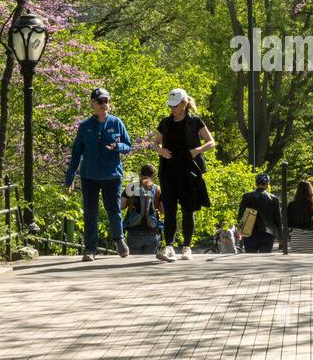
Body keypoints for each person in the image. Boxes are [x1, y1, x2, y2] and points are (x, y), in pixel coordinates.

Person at [64, 87, 132, 263]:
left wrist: (118, 147)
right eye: (100, 101)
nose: (104, 105)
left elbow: (128, 146)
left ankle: (119, 240)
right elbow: (77, 152)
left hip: (112, 175)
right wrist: (70, 176)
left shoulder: (116, 123)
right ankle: (91, 248)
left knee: (114, 210)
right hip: (89, 176)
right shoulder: (85, 126)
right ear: (93, 104)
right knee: (90, 212)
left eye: (106, 101)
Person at [148, 88, 215, 262]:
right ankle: (169, 246)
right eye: (170, 106)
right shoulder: (165, 122)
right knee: (169, 209)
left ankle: (187, 247)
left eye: (175, 106)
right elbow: (154, 143)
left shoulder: (196, 122)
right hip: (168, 170)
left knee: (188, 209)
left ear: (184, 104)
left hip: (189, 170)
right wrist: (160, 150)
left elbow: (211, 142)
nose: (172, 109)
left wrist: (197, 151)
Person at [121, 163, 163, 259]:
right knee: (147, 264)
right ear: (153, 175)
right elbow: (164, 210)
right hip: (152, 232)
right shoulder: (157, 189)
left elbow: (121, 206)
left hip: (134, 231)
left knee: (132, 263)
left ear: (140, 174)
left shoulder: (130, 187)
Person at [238, 173, 281, 252]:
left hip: (249, 232)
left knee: (250, 258)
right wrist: (280, 235)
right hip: (268, 232)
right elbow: (277, 218)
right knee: (265, 258)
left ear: (256, 183)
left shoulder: (247, 196)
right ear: (267, 183)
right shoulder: (274, 198)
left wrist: (240, 230)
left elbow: (240, 215)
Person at [287, 180, 313, 254]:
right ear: (310, 191)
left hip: (297, 239)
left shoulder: (292, 205)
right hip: (311, 239)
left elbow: (287, 222)